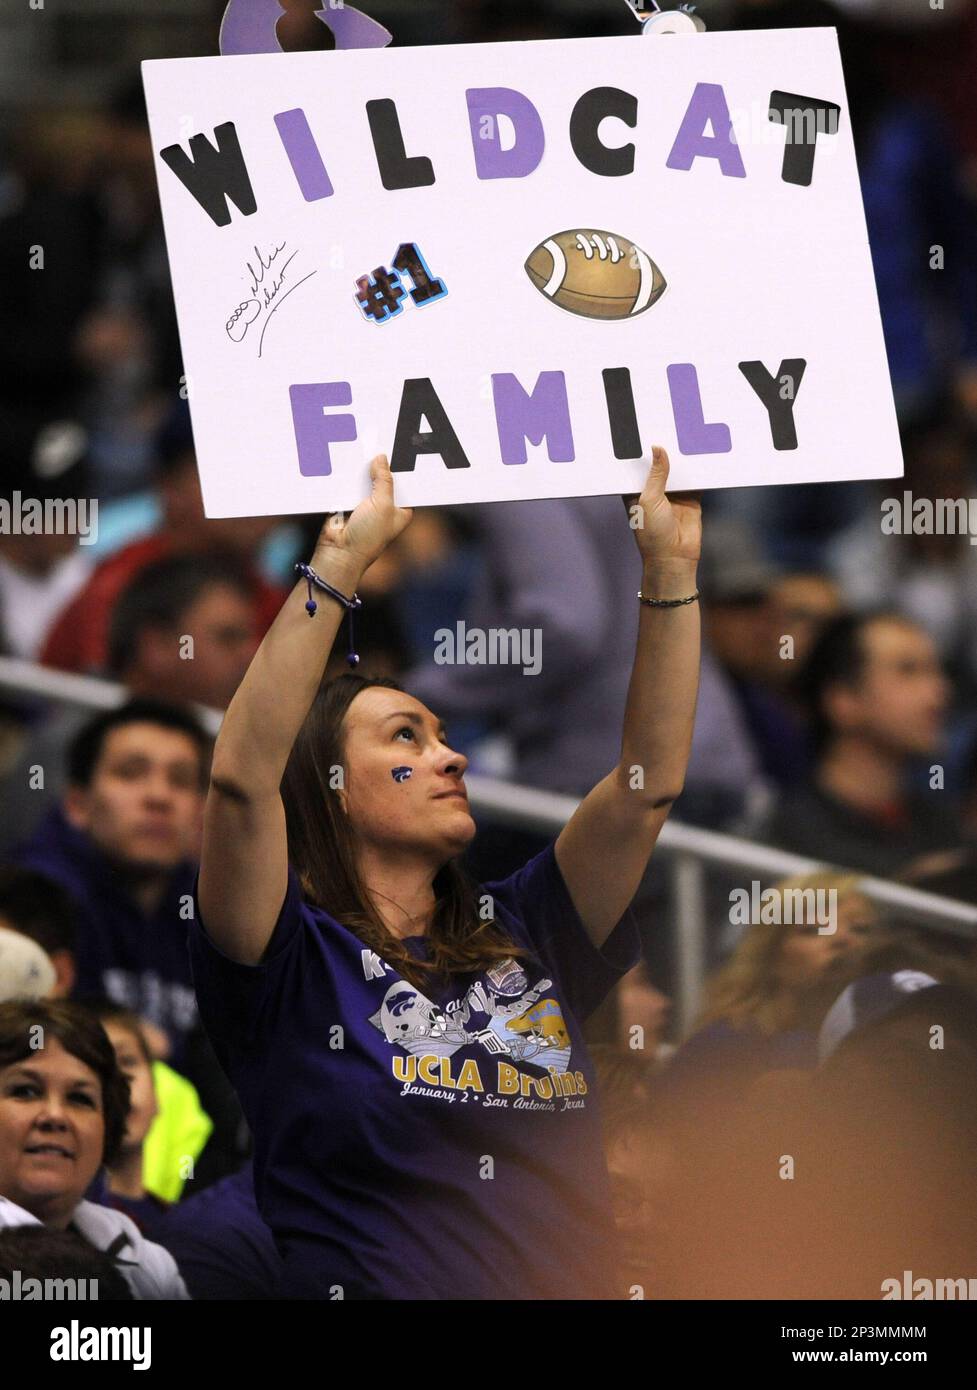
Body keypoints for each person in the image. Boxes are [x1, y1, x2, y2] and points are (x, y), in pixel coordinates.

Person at [191, 448, 701, 1300]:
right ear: (329, 788)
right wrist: (343, 561)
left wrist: (671, 568)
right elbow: (242, 777)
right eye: (405, 739)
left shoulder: (527, 926)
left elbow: (648, 787)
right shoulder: (284, 961)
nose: (450, 755)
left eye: (442, 734)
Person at [11, 699, 209, 1061]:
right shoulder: (29, 902)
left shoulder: (216, 914)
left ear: (201, 811)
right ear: (77, 804)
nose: (159, 797)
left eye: (180, 780)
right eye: (131, 773)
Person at [0, 999, 188, 1299]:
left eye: (80, 1098)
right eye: (26, 1091)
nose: (55, 1116)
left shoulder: (145, 1261)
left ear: (108, 1126)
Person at [762, 611, 964, 876]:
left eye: (937, 671)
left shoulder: (943, 827)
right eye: (908, 671)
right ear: (843, 700)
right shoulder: (784, 836)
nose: (939, 692)